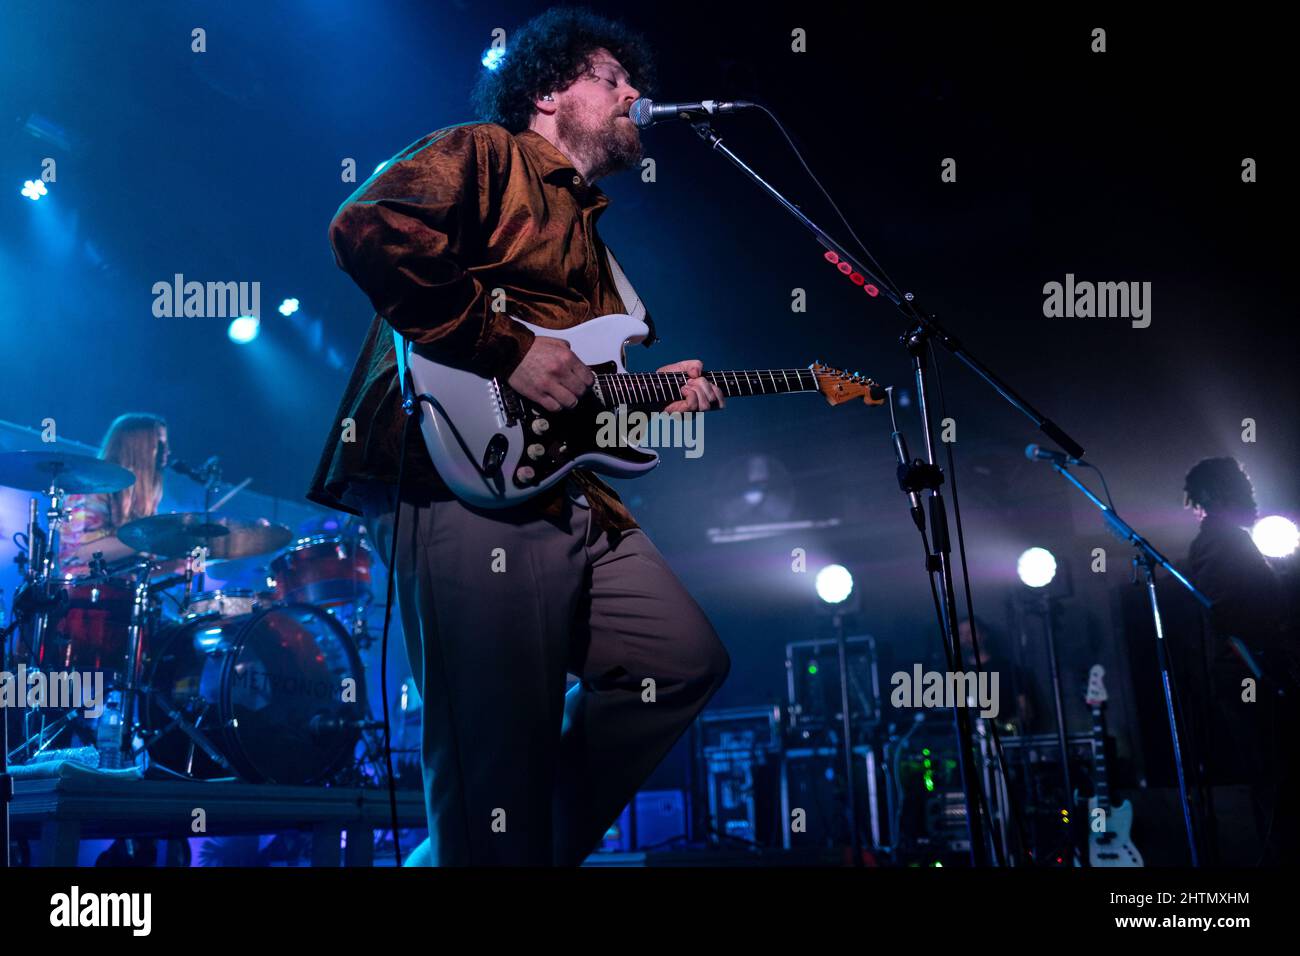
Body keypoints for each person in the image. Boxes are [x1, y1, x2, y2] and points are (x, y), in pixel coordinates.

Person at [307, 8, 731, 865]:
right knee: (493, 752)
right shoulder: (484, 154)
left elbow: (569, 392)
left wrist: (649, 400)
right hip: (456, 474)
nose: (635, 95)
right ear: (546, 91)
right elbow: (367, 228)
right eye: (612, 78)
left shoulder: (590, 233)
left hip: (564, 487)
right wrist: (503, 345)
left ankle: (491, 849)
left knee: (680, 660)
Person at [1182, 456, 1297, 864]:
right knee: (1277, 786)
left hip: (1254, 674)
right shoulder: (1219, 539)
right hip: (1249, 676)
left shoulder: (1230, 538)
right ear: (1218, 494)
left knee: (1278, 787)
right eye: (1242, 487)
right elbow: (1227, 612)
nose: (1251, 495)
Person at [58, 413, 170, 576]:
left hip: (121, 590)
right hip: (81, 592)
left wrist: (178, 565)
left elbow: (136, 568)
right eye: (159, 443)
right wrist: (154, 537)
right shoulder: (91, 486)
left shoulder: (141, 497)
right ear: (137, 446)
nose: (167, 451)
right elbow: (84, 552)